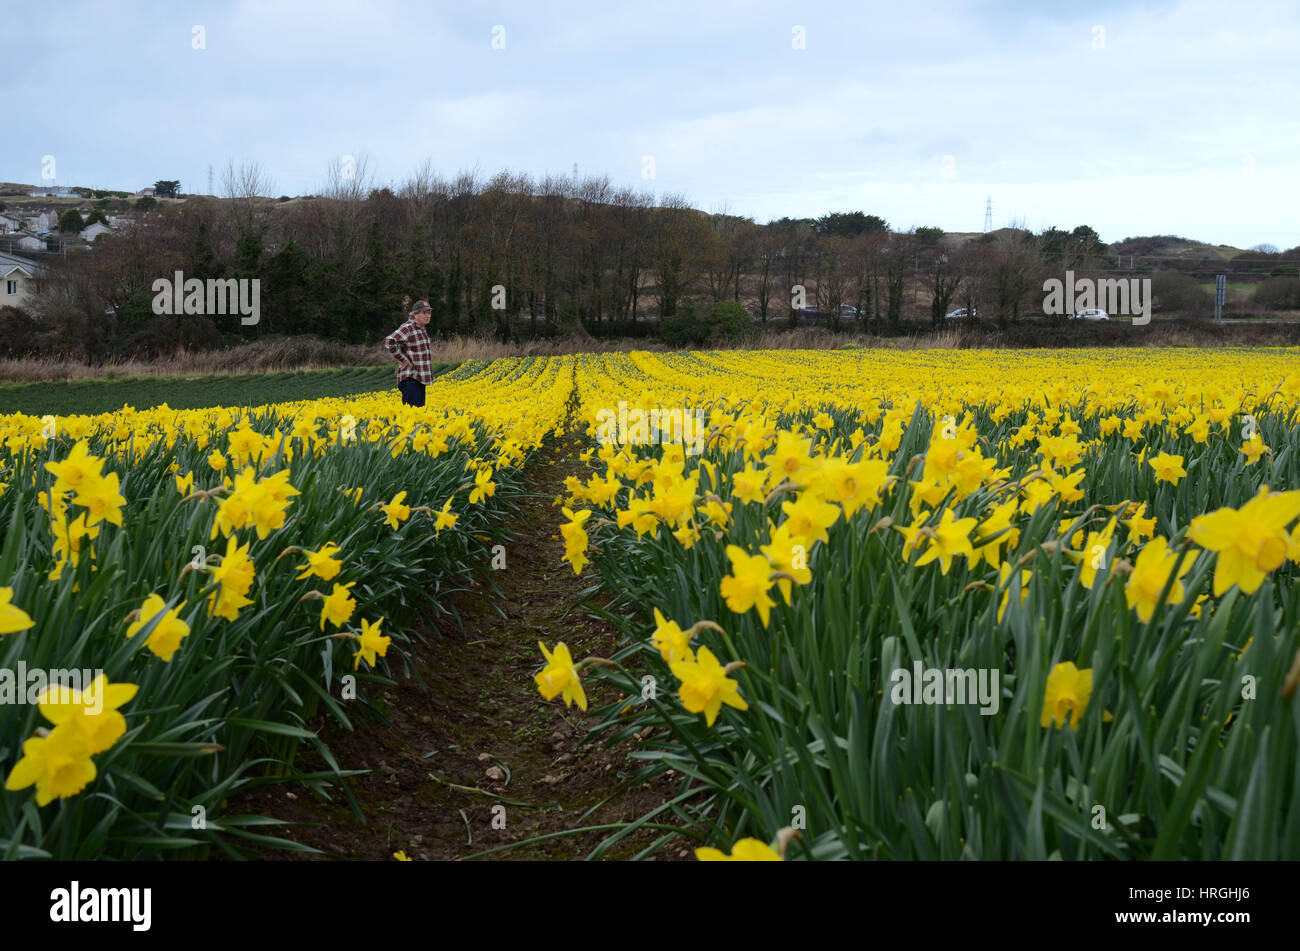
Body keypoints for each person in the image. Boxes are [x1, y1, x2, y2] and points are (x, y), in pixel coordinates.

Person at [384, 300, 434, 407]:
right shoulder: (408, 327)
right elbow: (389, 341)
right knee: (411, 417)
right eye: (424, 313)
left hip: (419, 379)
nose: (428, 316)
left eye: (429, 313)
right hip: (410, 379)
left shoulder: (421, 329)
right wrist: (403, 359)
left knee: (419, 417)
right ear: (415, 314)